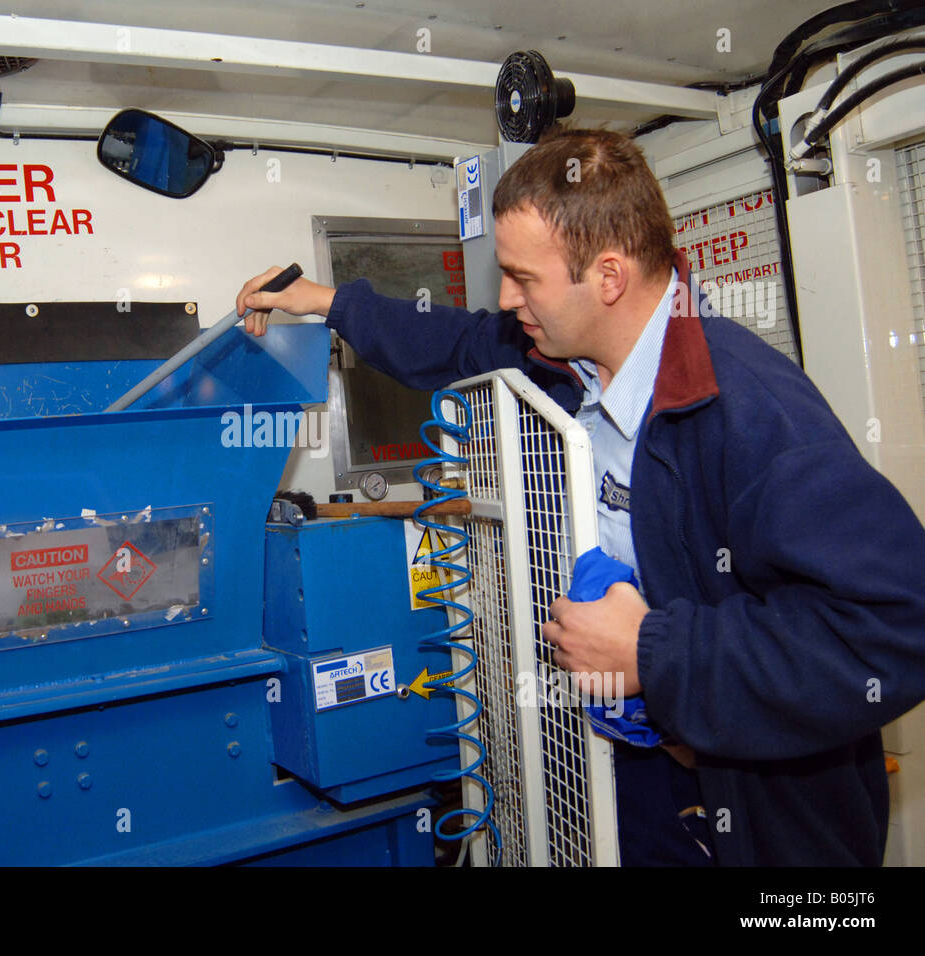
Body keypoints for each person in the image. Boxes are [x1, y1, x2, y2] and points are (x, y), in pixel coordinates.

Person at [233, 126, 925, 866]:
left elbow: (896, 626)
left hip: (759, 818)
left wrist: (650, 652)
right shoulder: (560, 356)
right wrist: (327, 302)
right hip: (627, 774)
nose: (507, 298)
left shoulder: (751, 410)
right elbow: (457, 342)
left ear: (608, 276)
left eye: (524, 278)